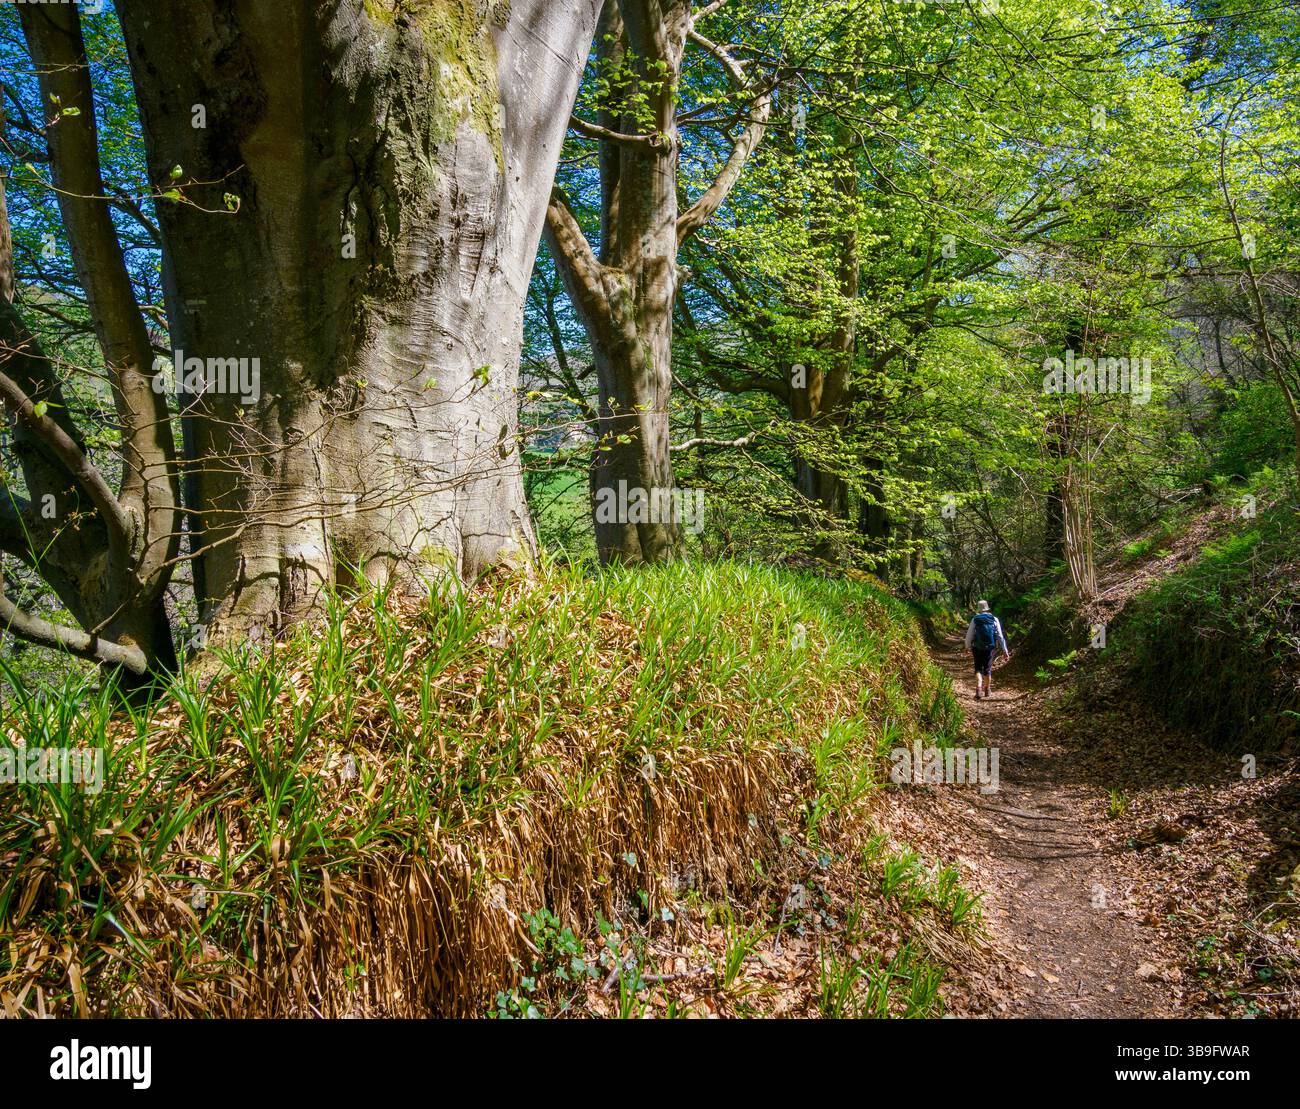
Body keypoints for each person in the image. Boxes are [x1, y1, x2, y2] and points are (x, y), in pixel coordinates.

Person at [964, 599, 1010, 700]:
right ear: (987, 608)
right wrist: (1005, 651)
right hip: (990, 647)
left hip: (977, 647)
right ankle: (987, 689)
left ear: (979, 609)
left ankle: (978, 688)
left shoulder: (975, 619)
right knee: (987, 669)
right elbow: (1000, 636)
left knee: (978, 668)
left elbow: (969, 635)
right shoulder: (994, 619)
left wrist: (967, 646)